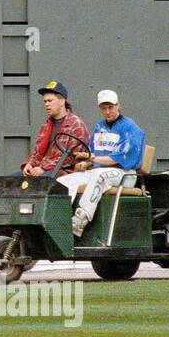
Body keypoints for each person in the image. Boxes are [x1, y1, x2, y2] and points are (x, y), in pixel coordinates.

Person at [62, 89, 147, 237]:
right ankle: (59, 218)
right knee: (63, 181)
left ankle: (80, 219)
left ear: (118, 105)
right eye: (104, 108)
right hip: (99, 169)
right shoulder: (100, 126)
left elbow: (117, 159)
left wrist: (91, 159)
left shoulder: (130, 128)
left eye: (111, 107)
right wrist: (86, 163)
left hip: (124, 173)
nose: (108, 112)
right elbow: (93, 152)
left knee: (99, 176)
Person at [21, 81, 89, 178]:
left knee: (42, 182)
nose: (47, 104)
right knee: (12, 181)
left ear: (62, 101)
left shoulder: (76, 124)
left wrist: (43, 168)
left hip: (65, 173)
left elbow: (72, 157)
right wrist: (29, 164)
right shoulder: (46, 126)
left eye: (50, 101)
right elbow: (37, 151)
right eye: (45, 101)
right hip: (43, 169)